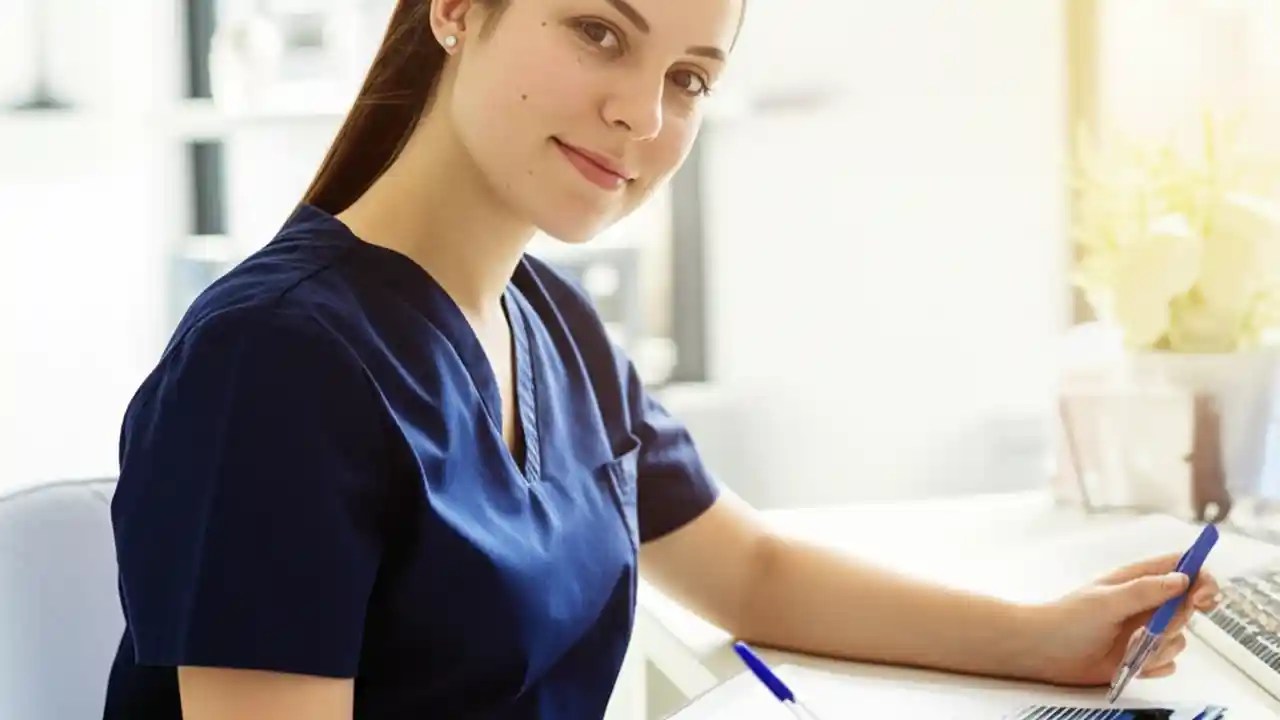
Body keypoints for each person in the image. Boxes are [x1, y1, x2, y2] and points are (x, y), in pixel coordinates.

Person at [102, 0, 1223, 717]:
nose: (641, 112)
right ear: (453, 10)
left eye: (688, 77)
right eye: (598, 31)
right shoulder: (275, 365)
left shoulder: (549, 322)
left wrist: (1041, 642)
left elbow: (751, 576)